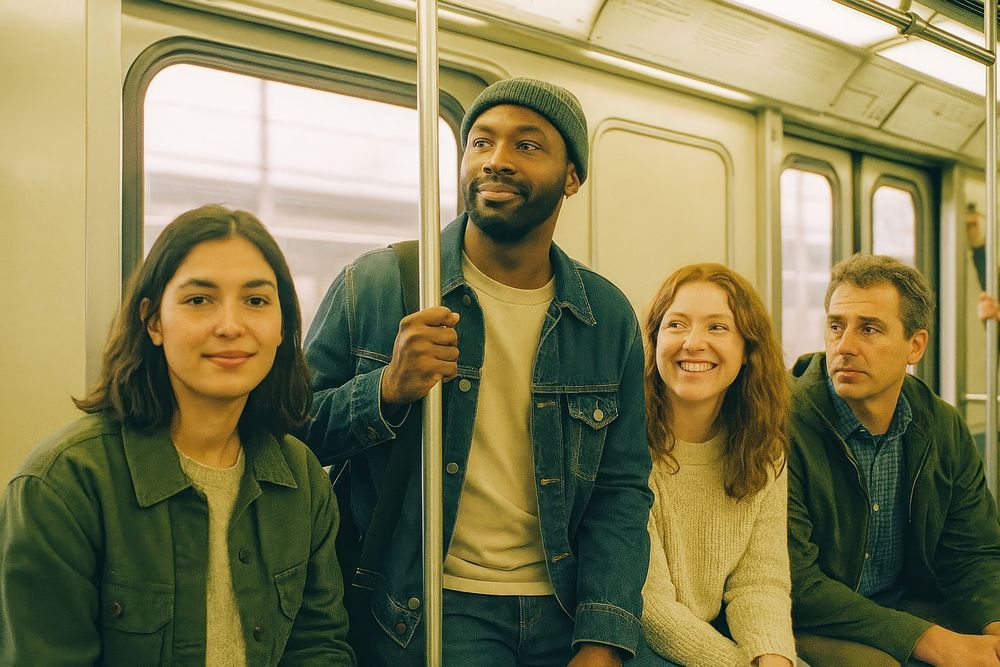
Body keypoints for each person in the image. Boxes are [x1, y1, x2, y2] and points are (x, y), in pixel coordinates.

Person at [301, 77, 653, 665]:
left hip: (564, 606)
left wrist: (604, 635)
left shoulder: (604, 316)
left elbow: (621, 490)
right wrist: (386, 392)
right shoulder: (379, 286)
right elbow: (292, 434)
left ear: (572, 177)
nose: (497, 161)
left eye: (527, 145)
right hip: (428, 606)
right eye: (481, 143)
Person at [0, 205, 355, 666]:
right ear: (153, 322)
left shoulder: (300, 476)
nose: (231, 325)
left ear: (283, 326)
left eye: (256, 301)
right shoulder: (63, 485)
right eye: (198, 300)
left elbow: (318, 646)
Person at [787, 253, 1000, 666]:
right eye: (836, 326)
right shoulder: (782, 423)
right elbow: (796, 581)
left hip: (904, 605)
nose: (844, 346)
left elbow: (973, 552)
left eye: (869, 329)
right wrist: (929, 640)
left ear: (914, 346)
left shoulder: (940, 425)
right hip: (812, 619)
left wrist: (995, 624)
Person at [634, 264, 796, 667]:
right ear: (654, 341)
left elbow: (760, 582)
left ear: (747, 352)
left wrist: (774, 658)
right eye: (676, 325)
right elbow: (649, 606)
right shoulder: (627, 443)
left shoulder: (764, 449)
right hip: (636, 644)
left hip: (710, 638)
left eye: (717, 328)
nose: (693, 343)